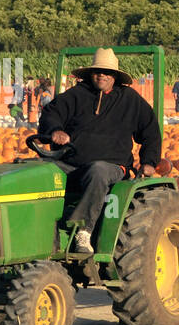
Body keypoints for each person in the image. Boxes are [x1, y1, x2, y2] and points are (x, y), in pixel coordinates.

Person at [37, 48, 161, 253]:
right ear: (90, 74)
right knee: (37, 171)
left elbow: (150, 131)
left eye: (107, 71)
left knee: (98, 170)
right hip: (71, 163)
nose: (102, 75)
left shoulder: (129, 99)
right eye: (97, 71)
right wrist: (55, 130)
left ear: (115, 76)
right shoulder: (77, 94)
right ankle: (42, 233)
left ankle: (82, 231)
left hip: (112, 166)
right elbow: (52, 113)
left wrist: (149, 162)